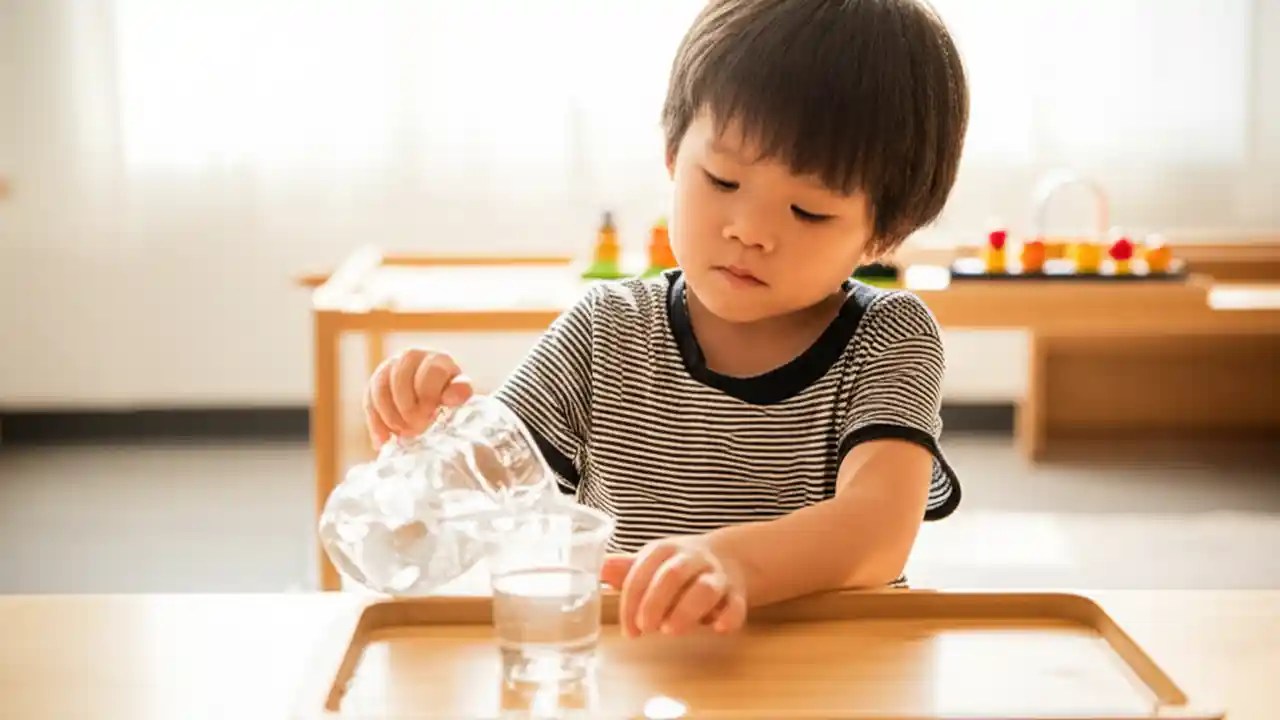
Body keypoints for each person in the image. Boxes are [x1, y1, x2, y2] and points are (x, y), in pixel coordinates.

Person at [363, 0, 968, 638]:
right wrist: (430, 438)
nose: (749, 231)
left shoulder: (888, 336)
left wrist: (730, 564)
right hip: (639, 667)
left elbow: (878, 532)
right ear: (675, 156)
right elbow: (477, 487)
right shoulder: (606, 329)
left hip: (826, 671)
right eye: (724, 181)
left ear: (884, 233)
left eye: (808, 211)